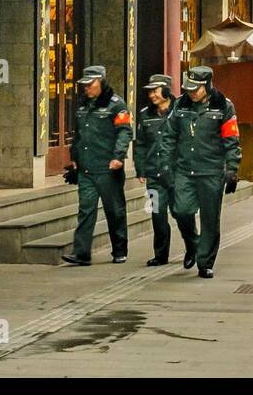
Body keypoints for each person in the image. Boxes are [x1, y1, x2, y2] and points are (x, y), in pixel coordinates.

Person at [159, 65, 241, 279]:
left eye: (195, 89)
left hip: (212, 171)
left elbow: (231, 140)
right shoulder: (180, 105)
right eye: (188, 89)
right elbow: (169, 136)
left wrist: (232, 169)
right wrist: (166, 163)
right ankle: (192, 244)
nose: (191, 93)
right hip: (185, 169)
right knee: (181, 210)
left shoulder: (223, 106)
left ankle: (205, 262)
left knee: (210, 219)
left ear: (207, 86)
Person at [62, 65, 133, 266]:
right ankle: (81, 253)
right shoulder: (83, 105)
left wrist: (119, 156)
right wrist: (74, 157)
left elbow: (124, 132)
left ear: (101, 81)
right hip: (86, 168)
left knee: (114, 210)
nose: (87, 88)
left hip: (108, 168)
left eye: (90, 84)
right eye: (84, 85)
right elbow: (78, 135)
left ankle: (119, 249)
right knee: (86, 209)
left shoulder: (116, 105)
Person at [134, 74, 197, 268]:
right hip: (154, 174)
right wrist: (141, 169)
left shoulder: (181, 111)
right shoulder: (145, 114)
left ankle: (193, 247)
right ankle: (160, 255)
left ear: (166, 90)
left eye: (155, 90)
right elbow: (140, 145)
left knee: (181, 213)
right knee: (157, 214)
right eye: (150, 91)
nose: (152, 95)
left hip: (178, 174)